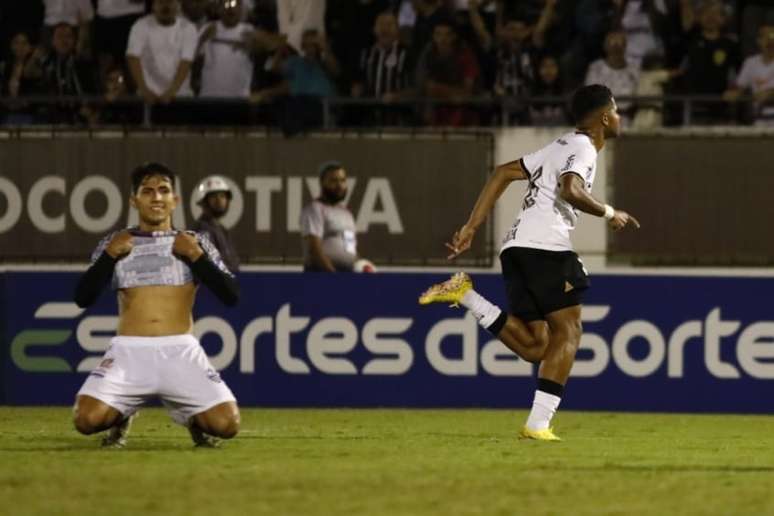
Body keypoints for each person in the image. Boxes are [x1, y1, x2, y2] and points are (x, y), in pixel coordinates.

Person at [419, 84, 640, 441]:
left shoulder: (560, 146)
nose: (619, 118)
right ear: (603, 118)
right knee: (569, 332)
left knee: (537, 346)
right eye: (615, 111)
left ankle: (465, 295)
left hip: (515, 248)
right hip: (546, 247)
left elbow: (502, 172)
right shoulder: (584, 148)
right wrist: (610, 212)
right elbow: (571, 189)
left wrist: (472, 226)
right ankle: (538, 425)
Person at [72, 162, 240, 448]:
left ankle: (190, 417)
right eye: (147, 191)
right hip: (128, 352)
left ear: (175, 200)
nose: (156, 197)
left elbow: (231, 296)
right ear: (134, 200)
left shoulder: (195, 242)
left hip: (181, 351)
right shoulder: (115, 242)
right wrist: (109, 255)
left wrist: (197, 256)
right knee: (85, 420)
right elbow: (82, 297)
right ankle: (123, 414)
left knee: (227, 424)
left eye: (163, 190)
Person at [300, 161, 361, 272]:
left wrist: (361, 267)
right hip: (321, 276)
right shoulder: (315, 209)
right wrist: (332, 275)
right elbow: (314, 249)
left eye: (342, 180)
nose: (339, 185)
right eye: (333, 181)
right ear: (322, 183)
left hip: (347, 276)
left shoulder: (347, 214)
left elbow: (351, 250)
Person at [192, 175, 240, 273]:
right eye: (213, 196)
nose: (219, 200)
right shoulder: (202, 229)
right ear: (204, 201)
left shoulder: (221, 229)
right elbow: (210, 266)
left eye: (222, 196)